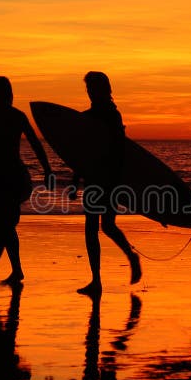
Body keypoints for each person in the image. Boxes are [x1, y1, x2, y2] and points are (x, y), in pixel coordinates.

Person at [0, 76, 53, 285]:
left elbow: (35, 143)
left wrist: (47, 169)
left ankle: (10, 271)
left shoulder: (5, 116)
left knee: (4, 225)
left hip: (11, 179)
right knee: (0, 224)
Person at [72, 71, 141, 296]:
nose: (91, 93)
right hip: (94, 179)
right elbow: (79, 154)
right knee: (99, 228)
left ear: (104, 90)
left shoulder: (112, 116)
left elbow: (120, 150)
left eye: (94, 89)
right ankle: (99, 279)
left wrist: (119, 183)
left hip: (108, 179)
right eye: (89, 90)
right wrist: (75, 181)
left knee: (102, 227)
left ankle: (107, 274)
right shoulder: (88, 117)